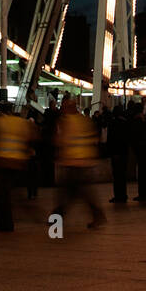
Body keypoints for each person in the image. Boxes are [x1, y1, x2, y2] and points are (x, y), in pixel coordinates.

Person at [54, 97, 105, 228]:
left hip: (72, 162)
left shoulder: (65, 121)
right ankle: (98, 215)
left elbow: (61, 141)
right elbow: (94, 139)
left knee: (67, 193)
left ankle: (56, 219)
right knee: (80, 192)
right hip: (85, 161)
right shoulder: (85, 121)